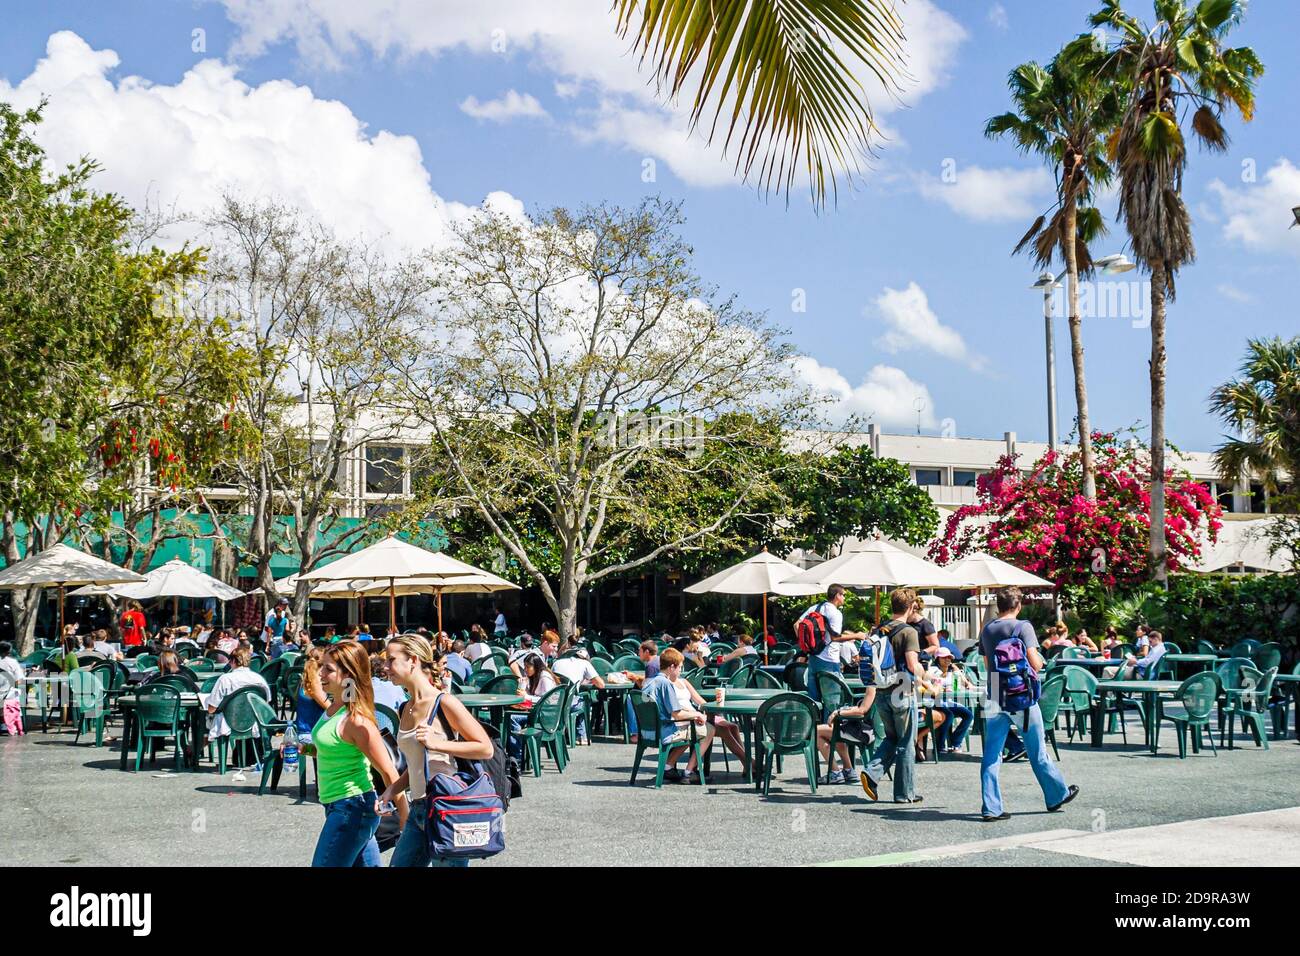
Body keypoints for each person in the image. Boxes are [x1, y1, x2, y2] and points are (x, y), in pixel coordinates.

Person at [380, 633, 493, 867]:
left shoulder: (444, 702)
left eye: (391, 660)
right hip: (419, 808)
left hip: (448, 807)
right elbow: (418, 764)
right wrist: (392, 790)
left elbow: (485, 748)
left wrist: (438, 743)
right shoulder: (405, 707)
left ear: (412, 660)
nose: (385, 666)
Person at [977, 586, 1077, 822]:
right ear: (1018, 605)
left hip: (995, 694)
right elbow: (1036, 663)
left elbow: (985, 664)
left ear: (998, 606)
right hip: (1021, 695)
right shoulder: (1023, 627)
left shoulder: (987, 630)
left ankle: (991, 807)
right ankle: (1056, 795)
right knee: (1037, 750)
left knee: (991, 754)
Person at [302, 640, 403, 867]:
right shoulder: (334, 706)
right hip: (339, 805)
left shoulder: (356, 720)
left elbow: (388, 770)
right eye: (322, 667)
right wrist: (304, 748)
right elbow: (332, 747)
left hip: (352, 806)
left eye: (328, 669)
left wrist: (405, 818)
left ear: (348, 674)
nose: (321, 673)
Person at [859, 588, 926, 804]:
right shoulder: (909, 632)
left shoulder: (880, 629)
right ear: (911, 607)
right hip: (902, 690)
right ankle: (904, 793)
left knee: (892, 737)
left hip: (881, 692)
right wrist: (925, 674)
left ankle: (872, 773)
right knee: (906, 742)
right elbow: (911, 665)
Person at [640, 648, 710, 783]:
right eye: (680, 667)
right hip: (666, 731)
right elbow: (676, 714)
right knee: (706, 730)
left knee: (692, 731)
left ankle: (668, 766)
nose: (681, 671)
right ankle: (689, 772)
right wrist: (697, 714)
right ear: (672, 667)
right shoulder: (666, 684)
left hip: (648, 732)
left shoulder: (649, 682)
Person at [798, 585, 864, 704]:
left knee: (815, 702)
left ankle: (815, 723)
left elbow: (797, 625)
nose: (844, 597)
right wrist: (857, 636)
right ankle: (830, 723)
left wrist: (808, 645)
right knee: (832, 702)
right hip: (829, 660)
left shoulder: (815, 608)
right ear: (837, 596)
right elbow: (835, 637)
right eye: (843, 595)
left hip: (813, 658)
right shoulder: (835, 613)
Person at [204, 645, 270, 741]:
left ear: (233, 661)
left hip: (227, 725)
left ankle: (196, 750)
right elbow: (266, 703)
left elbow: (211, 709)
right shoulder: (259, 679)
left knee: (203, 717)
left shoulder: (225, 679)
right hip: (253, 723)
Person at [507, 654, 558, 761]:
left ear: (536, 666)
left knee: (513, 718)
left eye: (527, 667)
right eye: (524, 667)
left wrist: (526, 696)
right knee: (510, 714)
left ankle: (517, 756)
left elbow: (547, 699)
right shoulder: (535, 677)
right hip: (538, 711)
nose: (525, 670)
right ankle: (514, 753)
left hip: (546, 715)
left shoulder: (545, 677)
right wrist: (524, 687)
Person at [551, 645, 605, 745]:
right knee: (584, 700)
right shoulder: (585, 663)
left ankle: (569, 733)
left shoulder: (556, 663)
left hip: (554, 701)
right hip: (569, 702)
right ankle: (581, 736)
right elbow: (601, 684)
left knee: (577, 698)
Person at [925, 647, 975, 754]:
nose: (947, 659)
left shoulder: (952, 670)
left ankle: (955, 742)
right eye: (944, 657)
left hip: (949, 701)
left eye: (949, 657)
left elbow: (966, 683)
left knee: (968, 715)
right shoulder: (933, 670)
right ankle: (940, 745)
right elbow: (931, 685)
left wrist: (966, 681)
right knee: (948, 715)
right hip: (935, 702)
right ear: (938, 659)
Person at [623, 639, 661, 743]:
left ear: (647, 652)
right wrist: (636, 677)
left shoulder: (651, 665)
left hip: (655, 699)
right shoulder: (658, 660)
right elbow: (650, 680)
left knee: (631, 698)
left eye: (640, 651)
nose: (638, 653)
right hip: (661, 694)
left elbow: (645, 689)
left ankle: (636, 733)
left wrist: (635, 679)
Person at [1, 641, 24, 736]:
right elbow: (19, 680)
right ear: (9, 651)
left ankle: (3, 722)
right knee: (17, 695)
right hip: (9, 695)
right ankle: (16, 724)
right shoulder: (13, 662)